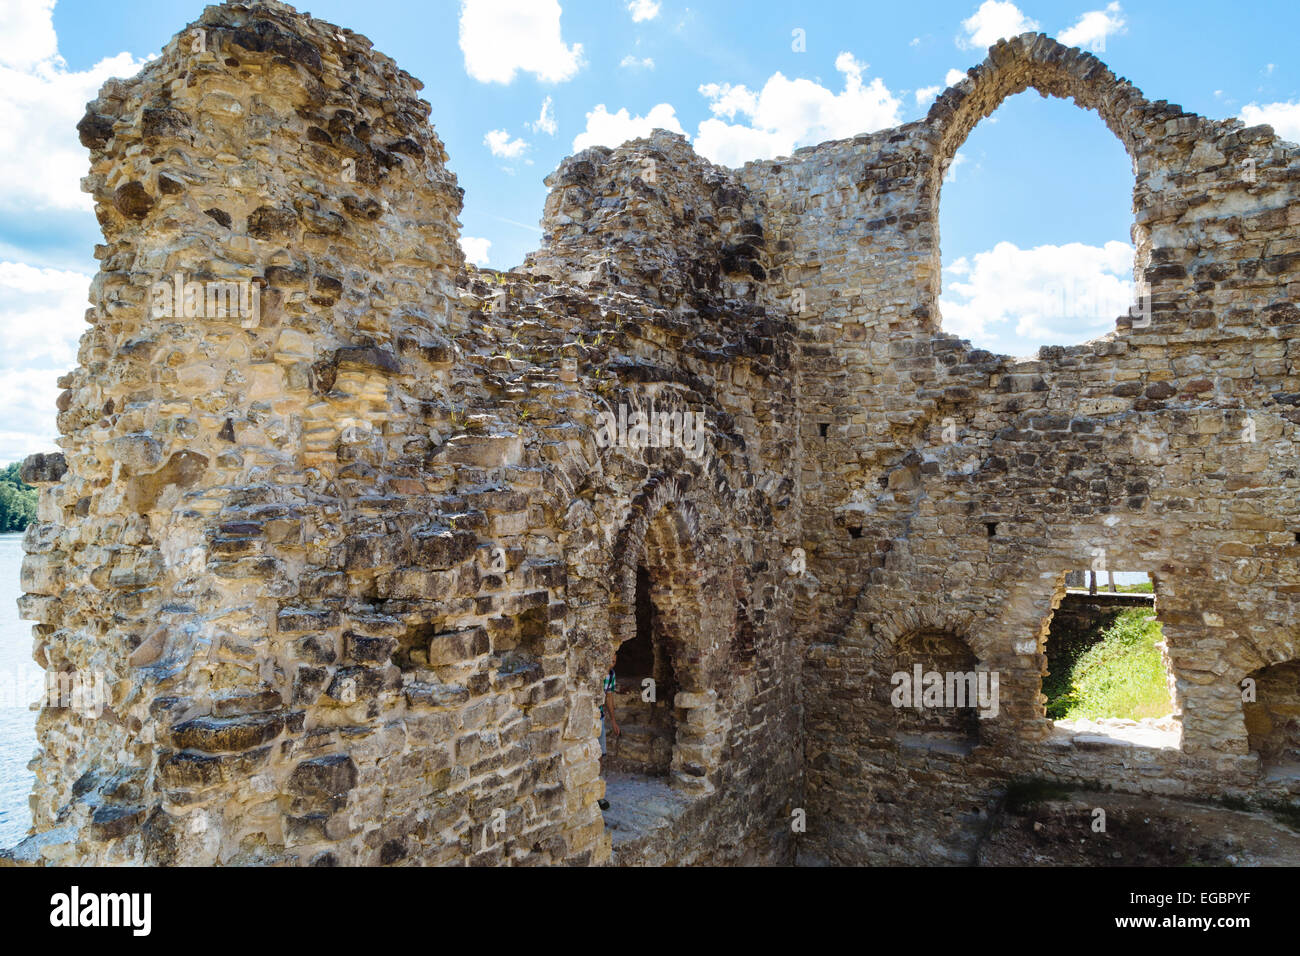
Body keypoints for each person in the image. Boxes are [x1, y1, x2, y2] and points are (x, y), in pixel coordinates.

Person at [597, 666, 620, 811]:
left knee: (599, 755)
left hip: (599, 719)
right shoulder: (596, 671)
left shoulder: (611, 675)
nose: (612, 660)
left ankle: (597, 795)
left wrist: (613, 721)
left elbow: (609, 698)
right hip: (587, 718)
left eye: (614, 657)